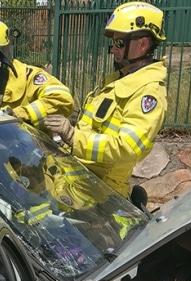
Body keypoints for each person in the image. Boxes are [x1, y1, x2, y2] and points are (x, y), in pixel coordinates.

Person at [45, 1, 168, 200]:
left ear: (142, 44)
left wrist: (73, 136)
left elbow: (127, 146)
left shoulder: (148, 93)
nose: (113, 49)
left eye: (119, 43)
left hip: (99, 196)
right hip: (79, 181)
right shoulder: (120, 81)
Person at [0, 17, 75, 132]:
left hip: (27, 147)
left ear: (6, 50)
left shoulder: (28, 76)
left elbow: (63, 98)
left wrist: (19, 114)